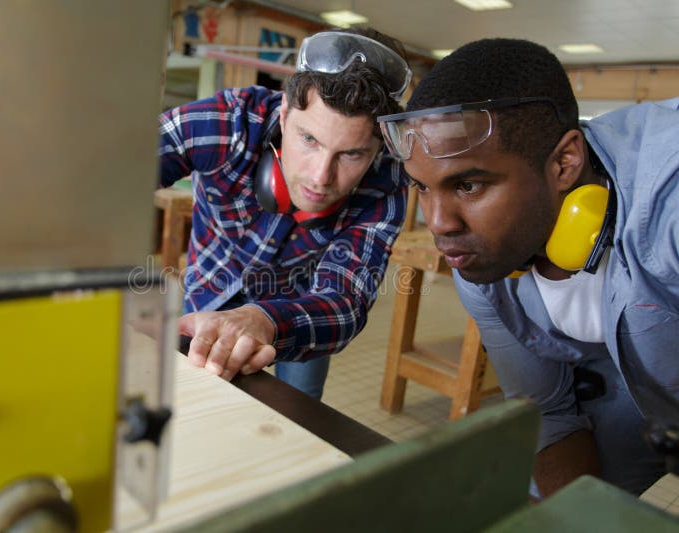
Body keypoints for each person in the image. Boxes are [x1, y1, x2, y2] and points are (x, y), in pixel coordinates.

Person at [377, 37, 678, 498]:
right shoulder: (481, 260)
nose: (440, 224)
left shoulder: (667, 206)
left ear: (564, 163)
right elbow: (547, 411)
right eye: (423, 186)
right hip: (636, 392)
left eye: (470, 184)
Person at [158, 28, 411, 399]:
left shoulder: (387, 181)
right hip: (209, 289)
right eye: (309, 139)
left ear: (379, 147)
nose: (320, 177)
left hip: (301, 310)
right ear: (285, 111)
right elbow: (119, 172)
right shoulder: (228, 121)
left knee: (301, 411)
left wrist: (262, 319)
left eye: (352, 154)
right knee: (188, 399)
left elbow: (345, 303)